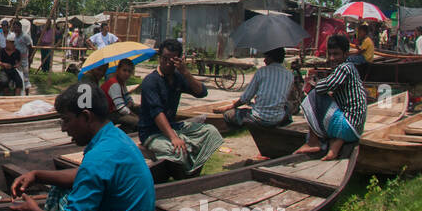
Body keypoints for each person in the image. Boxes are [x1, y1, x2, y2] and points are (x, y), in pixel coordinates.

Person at [4, 83, 156, 211]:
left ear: (86, 117)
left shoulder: (100, 157)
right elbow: (84, 175)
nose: (64, 128)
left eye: (66, 120)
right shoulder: (114, 138)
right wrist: (38, 175)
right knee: (60, 189)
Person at [137, 39, 223, 176]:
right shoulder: (151, 81)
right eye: (164, 59)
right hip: (151, 132)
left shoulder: (178, 77)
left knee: (211, 132)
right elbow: (157, 113)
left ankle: (192, 170)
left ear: (178, 60)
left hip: (173, 126)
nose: (167, 63)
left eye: (172, 60)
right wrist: (173, 138)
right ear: (160, 58)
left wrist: (186, 73)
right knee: (176, 151)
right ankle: (182, 174)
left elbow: (201, 92)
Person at [296, 34, 366, 161]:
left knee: (314, 95)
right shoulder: (349, 68)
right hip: (355, 129)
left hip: (349, 126)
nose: (332, 58)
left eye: (336, 54)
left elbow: (323, 87)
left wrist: (313, 83)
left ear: (346, 54)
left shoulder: (345, 68)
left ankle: (313, 141)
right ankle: (334, 147)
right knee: (325, 96)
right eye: (330, 54)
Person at [222, 48, 293, 129]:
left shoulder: (262, 71)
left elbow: (245, 98)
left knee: (228, 115)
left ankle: (245, 130)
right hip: (277, 119)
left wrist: (232, 106)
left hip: (259, 118)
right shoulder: (289, 74)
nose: (264, 60)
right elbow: (284, 98)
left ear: (271, 58)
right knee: (289, 106)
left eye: (266, 57)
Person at [100, 58, 140, 132]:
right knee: (137, 121)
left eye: (129, 71)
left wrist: (131, 104)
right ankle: (116, 133)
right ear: (118, 70)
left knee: (140, 110)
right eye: (124, 70)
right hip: (108, 114)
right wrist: (134, 115)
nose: (127, 74)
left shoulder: (122, 82)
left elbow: (128, 97)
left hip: (116, 111)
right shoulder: (114, 84)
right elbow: (121, 108)